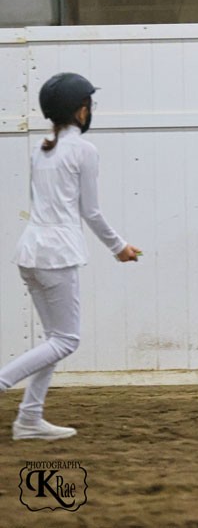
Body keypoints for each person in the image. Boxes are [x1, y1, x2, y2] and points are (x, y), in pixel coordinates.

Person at [0, 73, 140, 440]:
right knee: (66, 340)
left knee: (53, 340)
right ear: (81, 111)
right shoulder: (83, 150)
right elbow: (90, 211)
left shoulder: (40, 149)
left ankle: (30, 419)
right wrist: (118, 247)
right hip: (56, 255)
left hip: (32, 250)